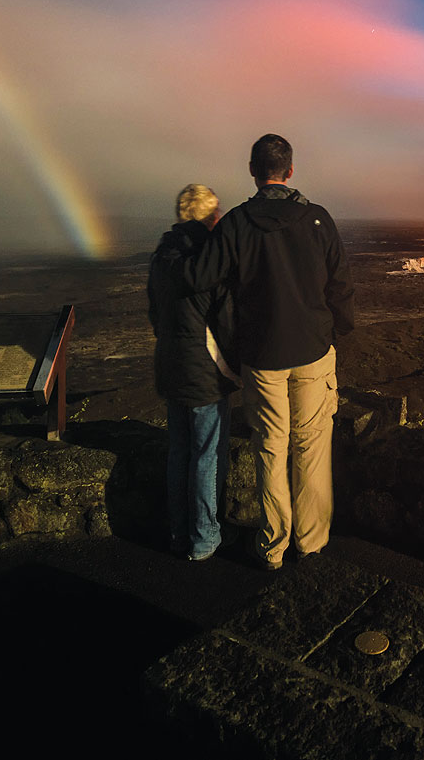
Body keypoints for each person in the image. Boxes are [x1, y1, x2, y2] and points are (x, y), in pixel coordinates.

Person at [179, 134, 354, 569]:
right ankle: (311, 544)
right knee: (312, 447)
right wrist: (337, 330)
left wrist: (178, 247)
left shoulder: (236, 224)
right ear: (290, 171)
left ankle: (272, 546)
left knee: (270, 449)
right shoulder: (318, 220)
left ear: (253, 171)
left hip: (261, 357)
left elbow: (200, 276)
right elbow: (341, 285)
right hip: (313, 351)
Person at [147, 183, 240, 562]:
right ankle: (204, 537)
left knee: (179, 451)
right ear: (211, 216)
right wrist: (237, 368)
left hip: (170, 366)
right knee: (206, 454)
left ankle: (177, 532)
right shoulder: (207, 259)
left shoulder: (161, 255)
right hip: (205, 372)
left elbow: (155, 313)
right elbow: (225, 321)